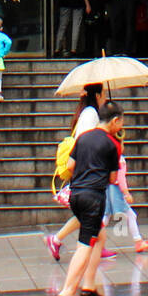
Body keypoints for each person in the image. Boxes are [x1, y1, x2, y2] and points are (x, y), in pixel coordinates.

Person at [53, 100, 125, 296]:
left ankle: (89, 287)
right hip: (94, 198)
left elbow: (70, 166)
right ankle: (67, 292)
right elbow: (113, 178)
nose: (121, 126)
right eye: (121, 122)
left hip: (75, 195)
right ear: (114, 121)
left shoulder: (83, 137)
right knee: (86, 244)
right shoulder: (113, 144)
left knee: (99, 236)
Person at [45, 83, 115, 263]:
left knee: (92, 213)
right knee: (89, 212)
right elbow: (86, 141)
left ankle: (96, 245)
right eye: (104, 94)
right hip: (88, 171)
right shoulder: (91, 114)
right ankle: (58, 239)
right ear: (97, 95)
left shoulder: (89, 112)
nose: (105, 97)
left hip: (87, 170)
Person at [102, 124, 148, 254]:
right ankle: (138, 241)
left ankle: (92, 240)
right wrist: (126, 194)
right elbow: (120, 179)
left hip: (106, 189)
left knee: (105, 216)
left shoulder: (106, 157)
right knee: (130, 215)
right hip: (116, 191)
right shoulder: (119, 159)